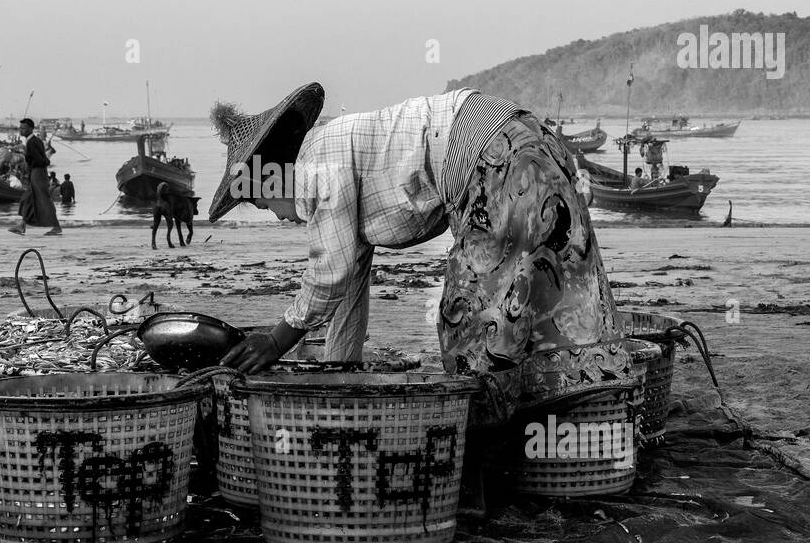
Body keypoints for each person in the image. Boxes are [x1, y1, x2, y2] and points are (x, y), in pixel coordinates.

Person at [212, 84, 630, 488]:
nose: (279, 217)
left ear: (273, 177)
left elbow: (329, 273)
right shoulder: (338, 168)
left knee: (469, 322)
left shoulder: (317, 164)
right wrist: (339, 376)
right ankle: (562, 437)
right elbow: (347, 290)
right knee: (544, 292)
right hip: (532, 139)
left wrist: (276, 340)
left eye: (265, 203)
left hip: (499, 155)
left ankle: (480, 474)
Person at [10, 117, 61, 236]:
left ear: (30, 129)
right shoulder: (35, 140)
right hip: (37, 173)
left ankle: (56, 227)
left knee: (43, 200)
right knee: (27, 199)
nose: (21, 130)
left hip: (37, 173)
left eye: (23, 128)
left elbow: (40, 160)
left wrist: (27, 159)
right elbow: (44, 159)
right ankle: (22, 225)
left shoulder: (32, 142)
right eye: (20, 128)